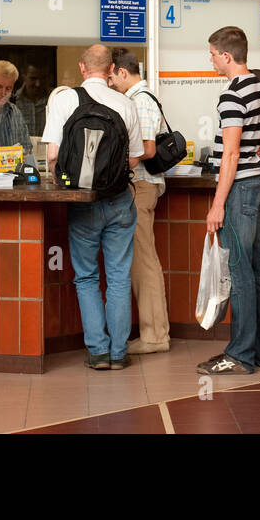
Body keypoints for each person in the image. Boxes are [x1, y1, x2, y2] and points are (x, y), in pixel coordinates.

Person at [42, 45, 144, 368]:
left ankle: (97, 351)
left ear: (83, 68)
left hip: (82, 201)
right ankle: (118, 353)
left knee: (85, 277)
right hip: (118, 201)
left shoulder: (63, 100)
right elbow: (135, 157)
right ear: (112, 69)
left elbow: (54, 156)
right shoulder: (126, 103)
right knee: (118, 276)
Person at [198, 26, 260, 376]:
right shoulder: (258, 85)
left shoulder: (232, 95)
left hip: (240, 189)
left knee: (239, 273)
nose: (211, 60)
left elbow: (230, 154)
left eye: (212, 54)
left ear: (226, 56)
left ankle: (240, 355)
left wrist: (217, 205)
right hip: (259, 183)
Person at [107, 48, 170, 355]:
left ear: (122, 71)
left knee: (144, 262)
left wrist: (115, 159)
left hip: (142, 186)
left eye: (111, 77)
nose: (110, 84)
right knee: (142, 261)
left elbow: (146, 149)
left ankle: (155, 336)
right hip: (143, 186)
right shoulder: (139, 98)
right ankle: (153, 333)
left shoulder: (140, 100)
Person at [14, 62, 50, 137]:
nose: (38, 84)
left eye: (42, 78)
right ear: (23, 76)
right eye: (33, 78)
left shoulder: (54, 101)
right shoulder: (13, 101)